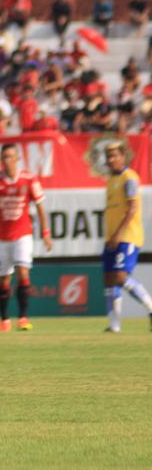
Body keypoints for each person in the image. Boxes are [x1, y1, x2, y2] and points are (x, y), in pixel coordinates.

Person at [0, 144, 52, 332]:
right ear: (1, 160)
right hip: (2, 237)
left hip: (23, 235)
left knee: (23, 273)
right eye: (4, 157)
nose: (7, 161)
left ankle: (23, 318)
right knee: (3, 280)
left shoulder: (29, 179)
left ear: (18, 158)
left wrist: (45, 233)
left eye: (11, 157)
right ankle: (4, 320)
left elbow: (41, 207)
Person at [101, 141, 151, 332]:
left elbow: (132, 210)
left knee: (120, 277)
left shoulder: (129, 178)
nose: (111, 159)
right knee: (108, 279)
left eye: (115, 155)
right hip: (111, 237)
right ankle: (114, 325)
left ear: (123, 156)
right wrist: (110, 236)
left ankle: (150, 307)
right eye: (109, 156)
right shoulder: (111, 180)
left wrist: (117, 234)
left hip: (127, 236)